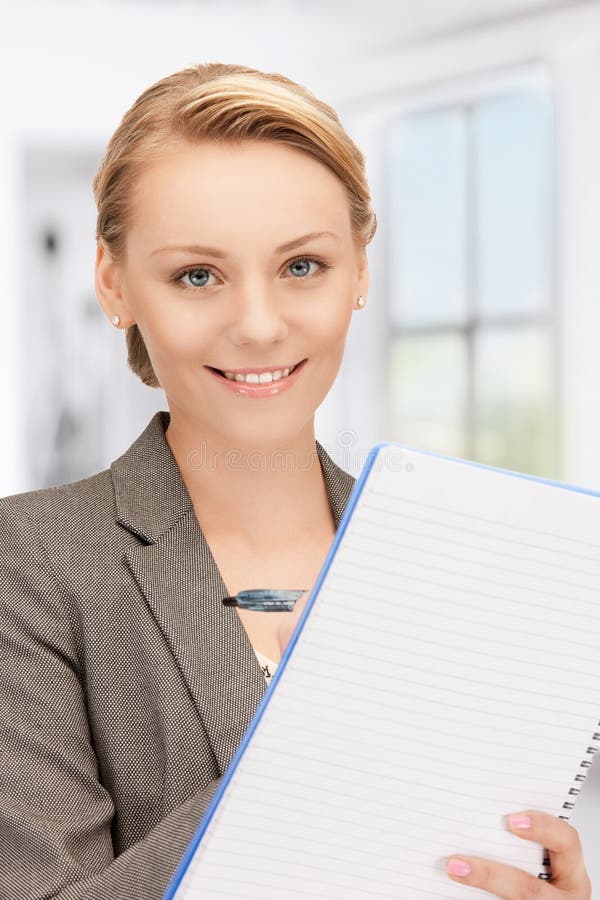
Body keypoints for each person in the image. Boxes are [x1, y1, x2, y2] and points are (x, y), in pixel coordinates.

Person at [0, 61, 591, 900]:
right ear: (114, 283)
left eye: (303, 266)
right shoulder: (31, 564)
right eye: (197, 275)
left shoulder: (452, 571)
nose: (258, 325)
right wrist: (324, 716)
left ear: (360, 272)